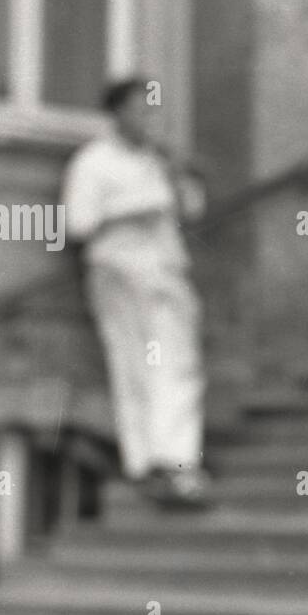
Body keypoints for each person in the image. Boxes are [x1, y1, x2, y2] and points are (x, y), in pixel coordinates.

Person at [62, 77, 210, 508]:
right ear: (118, 112)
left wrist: (180, 175)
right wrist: (133, 211)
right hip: (120, 272)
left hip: (164, 273)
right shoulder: (93, 162)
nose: (148, 119)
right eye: (140, 109)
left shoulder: (156, 162)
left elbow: (192, 211)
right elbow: (78, 223)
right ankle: (145, 460)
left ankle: (177, 459)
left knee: (177, 366)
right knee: (133, 364)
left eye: (153, 110)